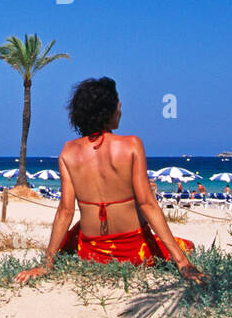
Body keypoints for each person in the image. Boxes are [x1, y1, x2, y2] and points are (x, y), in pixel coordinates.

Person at [14, 78, 205, 285]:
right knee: (189, 245)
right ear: (107, 110)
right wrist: (183, 262)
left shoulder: (68, 152)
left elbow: (65, 210)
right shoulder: (132, 145)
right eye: (117, 102)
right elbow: (147, 204)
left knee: (76, 230)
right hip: (134, 250)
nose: (121, 107)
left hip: (91, 252)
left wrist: (47, 264)